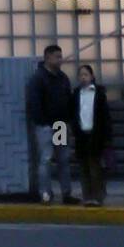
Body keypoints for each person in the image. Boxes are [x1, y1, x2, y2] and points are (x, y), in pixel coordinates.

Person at [26, 44, 76, 205]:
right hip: (46, 125)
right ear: (47, 58)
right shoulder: (38, 78)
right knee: (46, 159)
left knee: (62, 159)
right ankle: (45, 194)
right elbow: (33, 102)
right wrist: (41, 121)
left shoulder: (62, 78)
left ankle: (66, 193)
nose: (60, 60)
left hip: (60, 124)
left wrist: (67, 120)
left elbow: (68, 100)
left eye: (60, 56)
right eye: (57, 56)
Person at [71, 64, 113, 206]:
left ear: (92, 76)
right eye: (81, 75)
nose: (83, 78)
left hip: (96, 135)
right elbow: (73, 114)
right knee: (83, 168)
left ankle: (97, 196)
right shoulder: (76, 94)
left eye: (86, 75)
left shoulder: (99, 94)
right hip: (81, 135)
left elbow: (105, 117)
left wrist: (107, 138)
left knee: (95, 167)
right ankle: (87, 196)